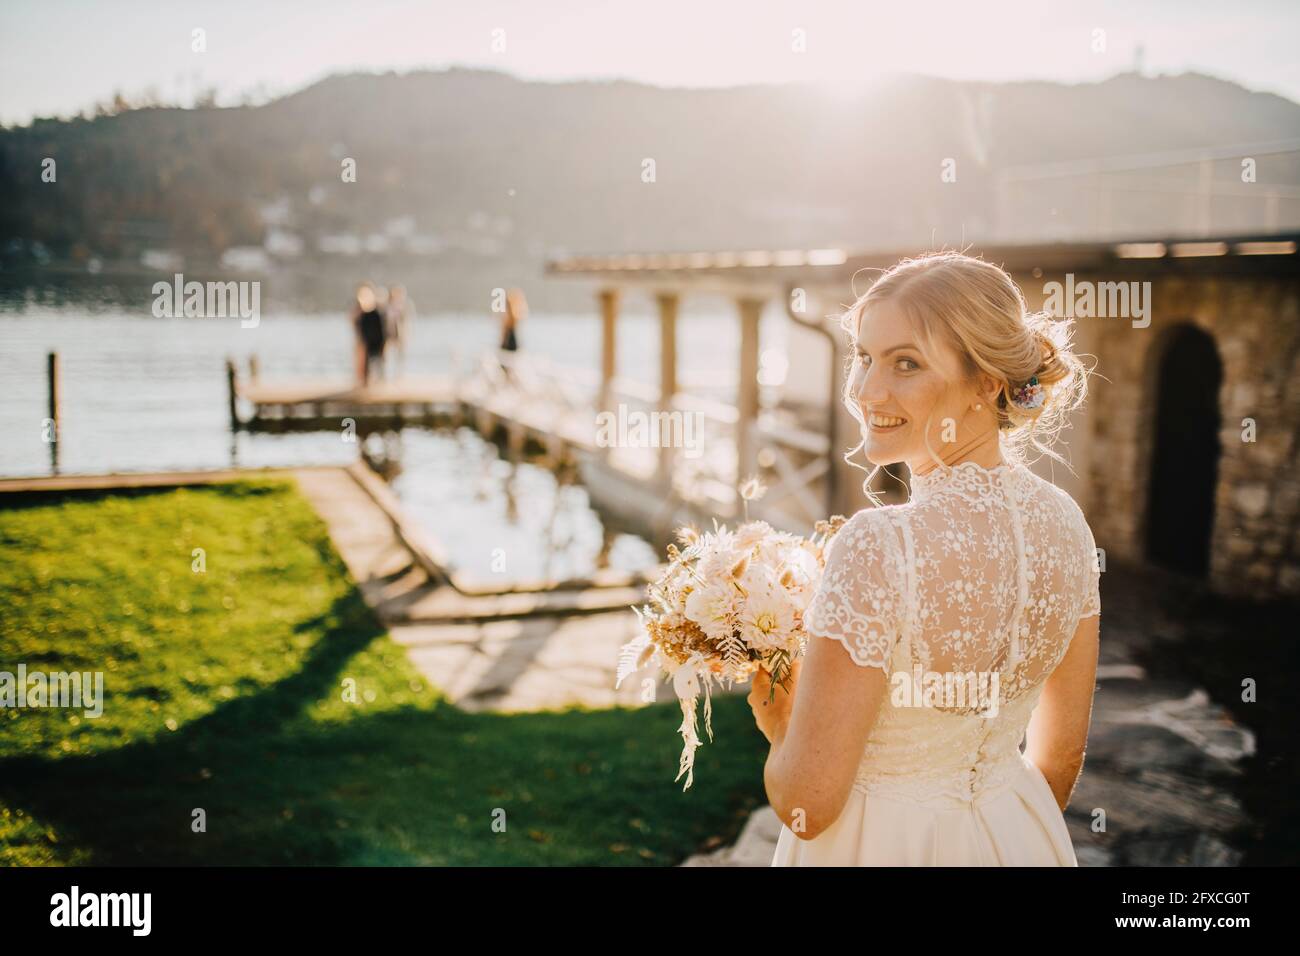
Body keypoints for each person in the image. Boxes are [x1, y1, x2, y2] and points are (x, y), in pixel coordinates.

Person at [752, 251, 1098, 866]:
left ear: (987, 383)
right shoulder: (1069, 527)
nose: (865, 390)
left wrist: (780, 723)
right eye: (863, 357)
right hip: (1021, 837)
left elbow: (808, 803)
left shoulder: (880, 546)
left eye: (905, 364)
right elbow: (1060, 762)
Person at [350, 282, 386, 386]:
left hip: (374, 341)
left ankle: (375, 382)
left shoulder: (376, 313)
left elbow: (381, 330)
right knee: (364, 362)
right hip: (365, 341)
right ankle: (364, 381)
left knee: (376, 362)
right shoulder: (360, 313)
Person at [384, 284, 415, 376]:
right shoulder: (387, 306)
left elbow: (408, 320)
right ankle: (387, 374)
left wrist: (407, 333)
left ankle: (399, 374)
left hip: (401, 334)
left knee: (400, 355)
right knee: (387, 355)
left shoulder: (405, 306)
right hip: (389, 334)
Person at [498, 288, 526, 378]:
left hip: (509, 342)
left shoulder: (510, 317)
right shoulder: (516, 315)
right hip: (512, 342)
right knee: (510, 366)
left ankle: (507, 381)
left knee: (506, 366)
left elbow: (504, 333)